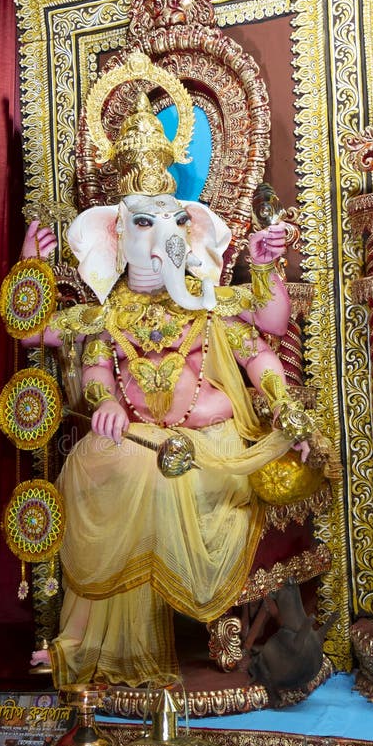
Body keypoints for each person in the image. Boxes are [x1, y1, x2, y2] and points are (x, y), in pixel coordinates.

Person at [23, 55, 324, 687]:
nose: (161, 238)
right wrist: (32, 274)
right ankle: (78, 637)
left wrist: (265, 265)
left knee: (174, 480)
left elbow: (266, 335)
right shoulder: (106, 313)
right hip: (136, 443)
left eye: (173, 221)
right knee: (105, 470)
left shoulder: (209, 299)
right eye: (144, 223)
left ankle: (248, 625)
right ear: (113, 236)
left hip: (212, 447)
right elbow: (41, 332)